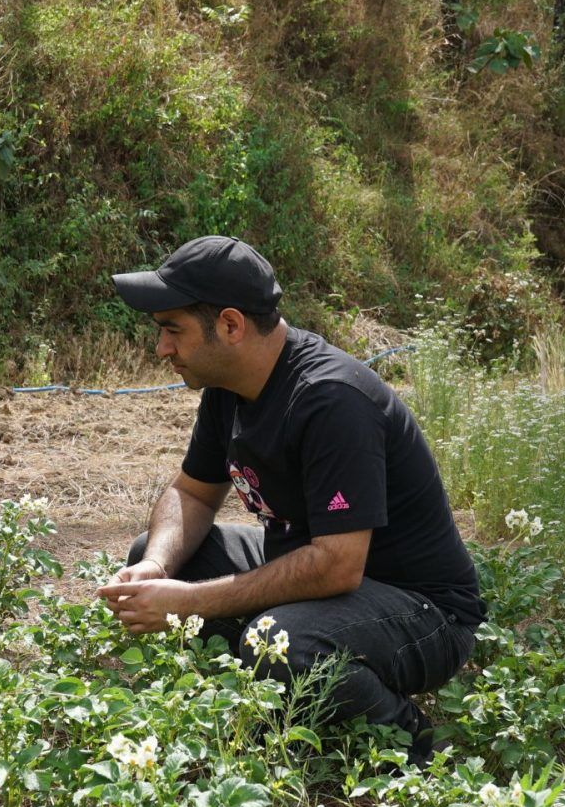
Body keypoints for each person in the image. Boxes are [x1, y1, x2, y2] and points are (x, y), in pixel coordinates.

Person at [95, 236, 484, 763]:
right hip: (315, 579)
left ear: (231, 326)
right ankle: (268, 698)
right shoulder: (227, 387)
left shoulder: (331, 400)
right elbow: (191, 493)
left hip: (419, 609)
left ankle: (412, 745)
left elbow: (336, 567)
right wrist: (160, 566)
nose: (162, 348)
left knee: (275, 640)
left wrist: (185, 602)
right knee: (157, 553)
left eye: (172, 330)